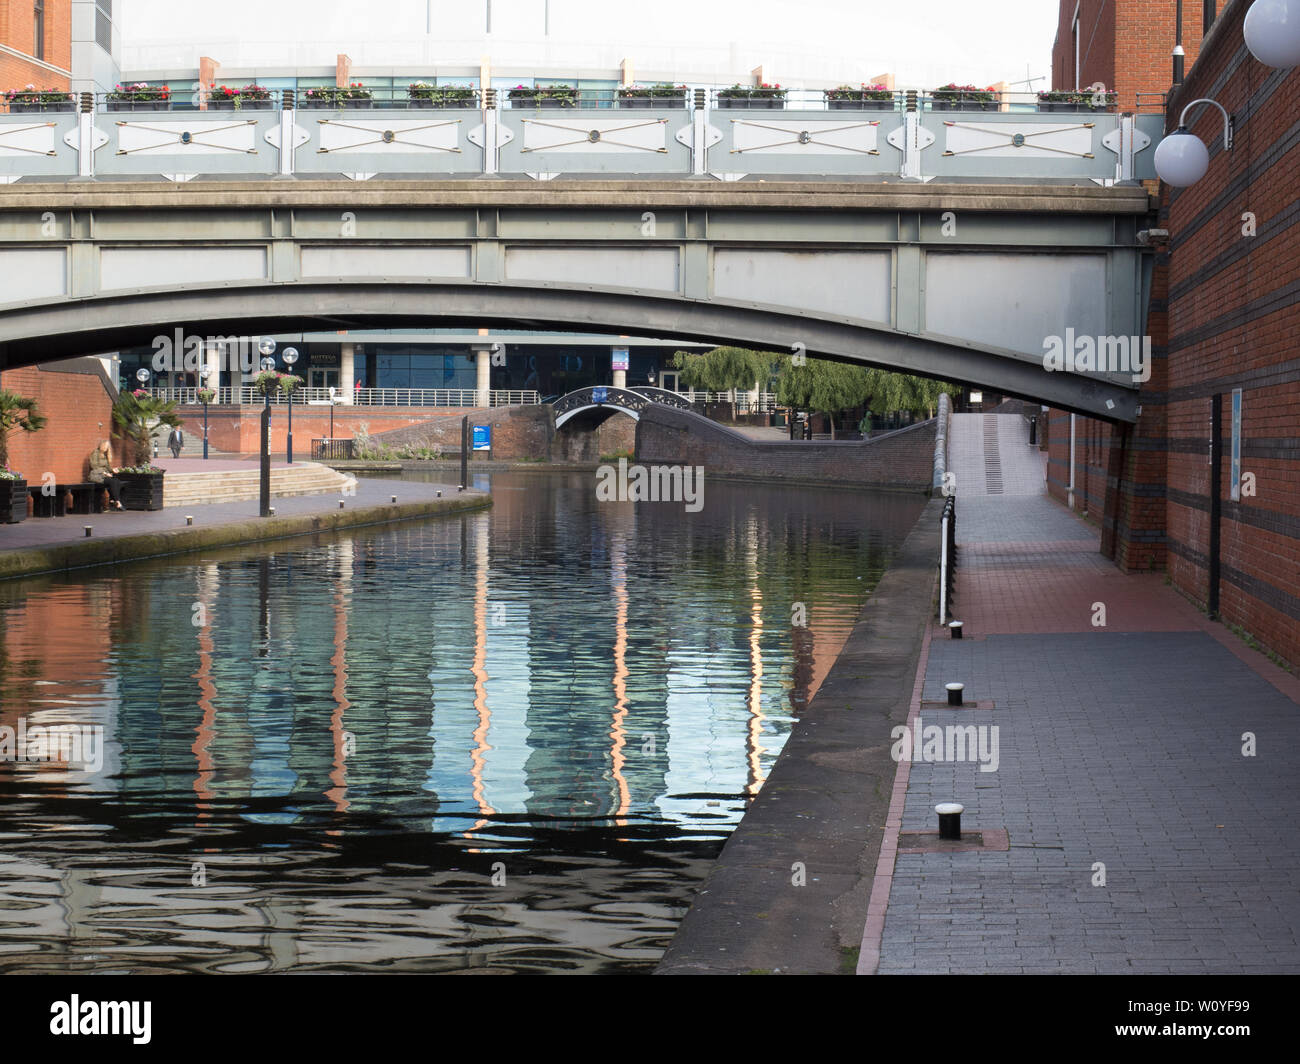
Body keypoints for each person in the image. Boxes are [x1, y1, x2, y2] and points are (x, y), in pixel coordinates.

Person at [87, 440, 124, 510]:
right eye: (105, 446)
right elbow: (94, 466)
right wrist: (105, 473)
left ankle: (113, 500)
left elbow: (107, 467)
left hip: (104, 475)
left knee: (117, 481)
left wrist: (113, 470)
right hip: (96, 475)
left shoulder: (104, 455)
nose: (106, 448)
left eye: (107, 446)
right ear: (102, 445)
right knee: (112, 481)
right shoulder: (95, 453)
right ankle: (117, 501)